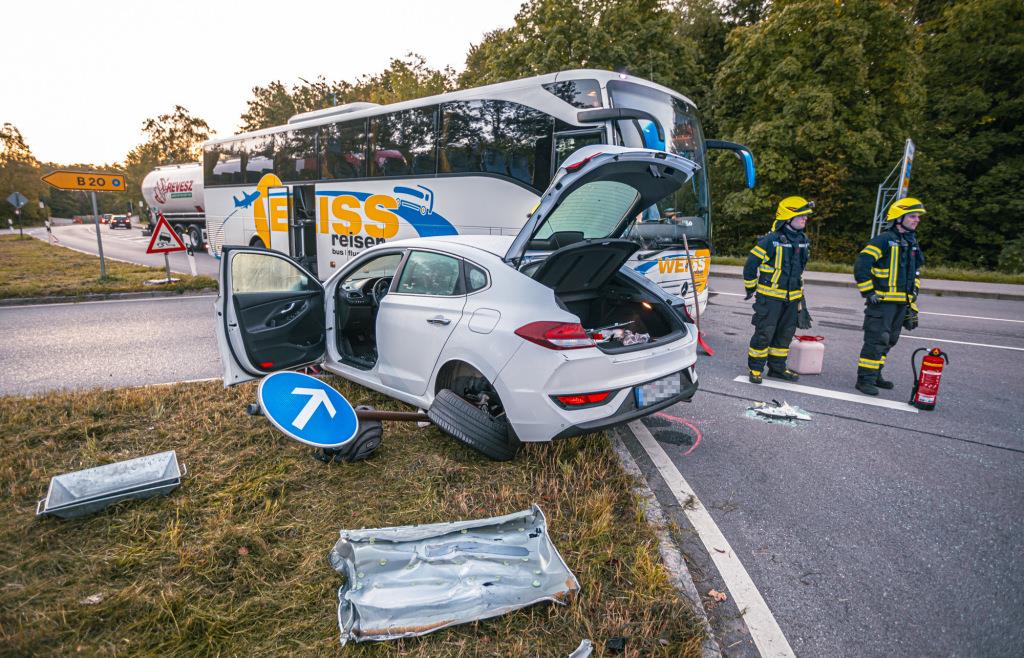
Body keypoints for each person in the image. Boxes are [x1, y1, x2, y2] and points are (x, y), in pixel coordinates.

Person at [853, 197, 926, 395]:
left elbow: (915, 272)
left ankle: (875, 374)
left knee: (890, 340)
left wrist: (913, 298)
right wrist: (869, 292)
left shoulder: (911, 242)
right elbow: (862, 265)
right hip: (882, 303)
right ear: (898, 217)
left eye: (918, 216)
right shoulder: (883, 240)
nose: (916, 220)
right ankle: (864, 379)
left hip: (901, 304)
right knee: (877, 340)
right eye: (912, 216)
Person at [743, 196, 813, 383]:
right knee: (764, 333)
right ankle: (755, 369)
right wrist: (751, 288)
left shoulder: (804, 240)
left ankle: (777, 368)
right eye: (801, 216)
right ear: (788, 217)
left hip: (792, 299)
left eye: (806, 216)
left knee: (785, 335)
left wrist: (800, 298)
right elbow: (751, 265)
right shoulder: (771, 240)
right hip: (770, 298)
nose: (805, 219)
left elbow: (799, 271)